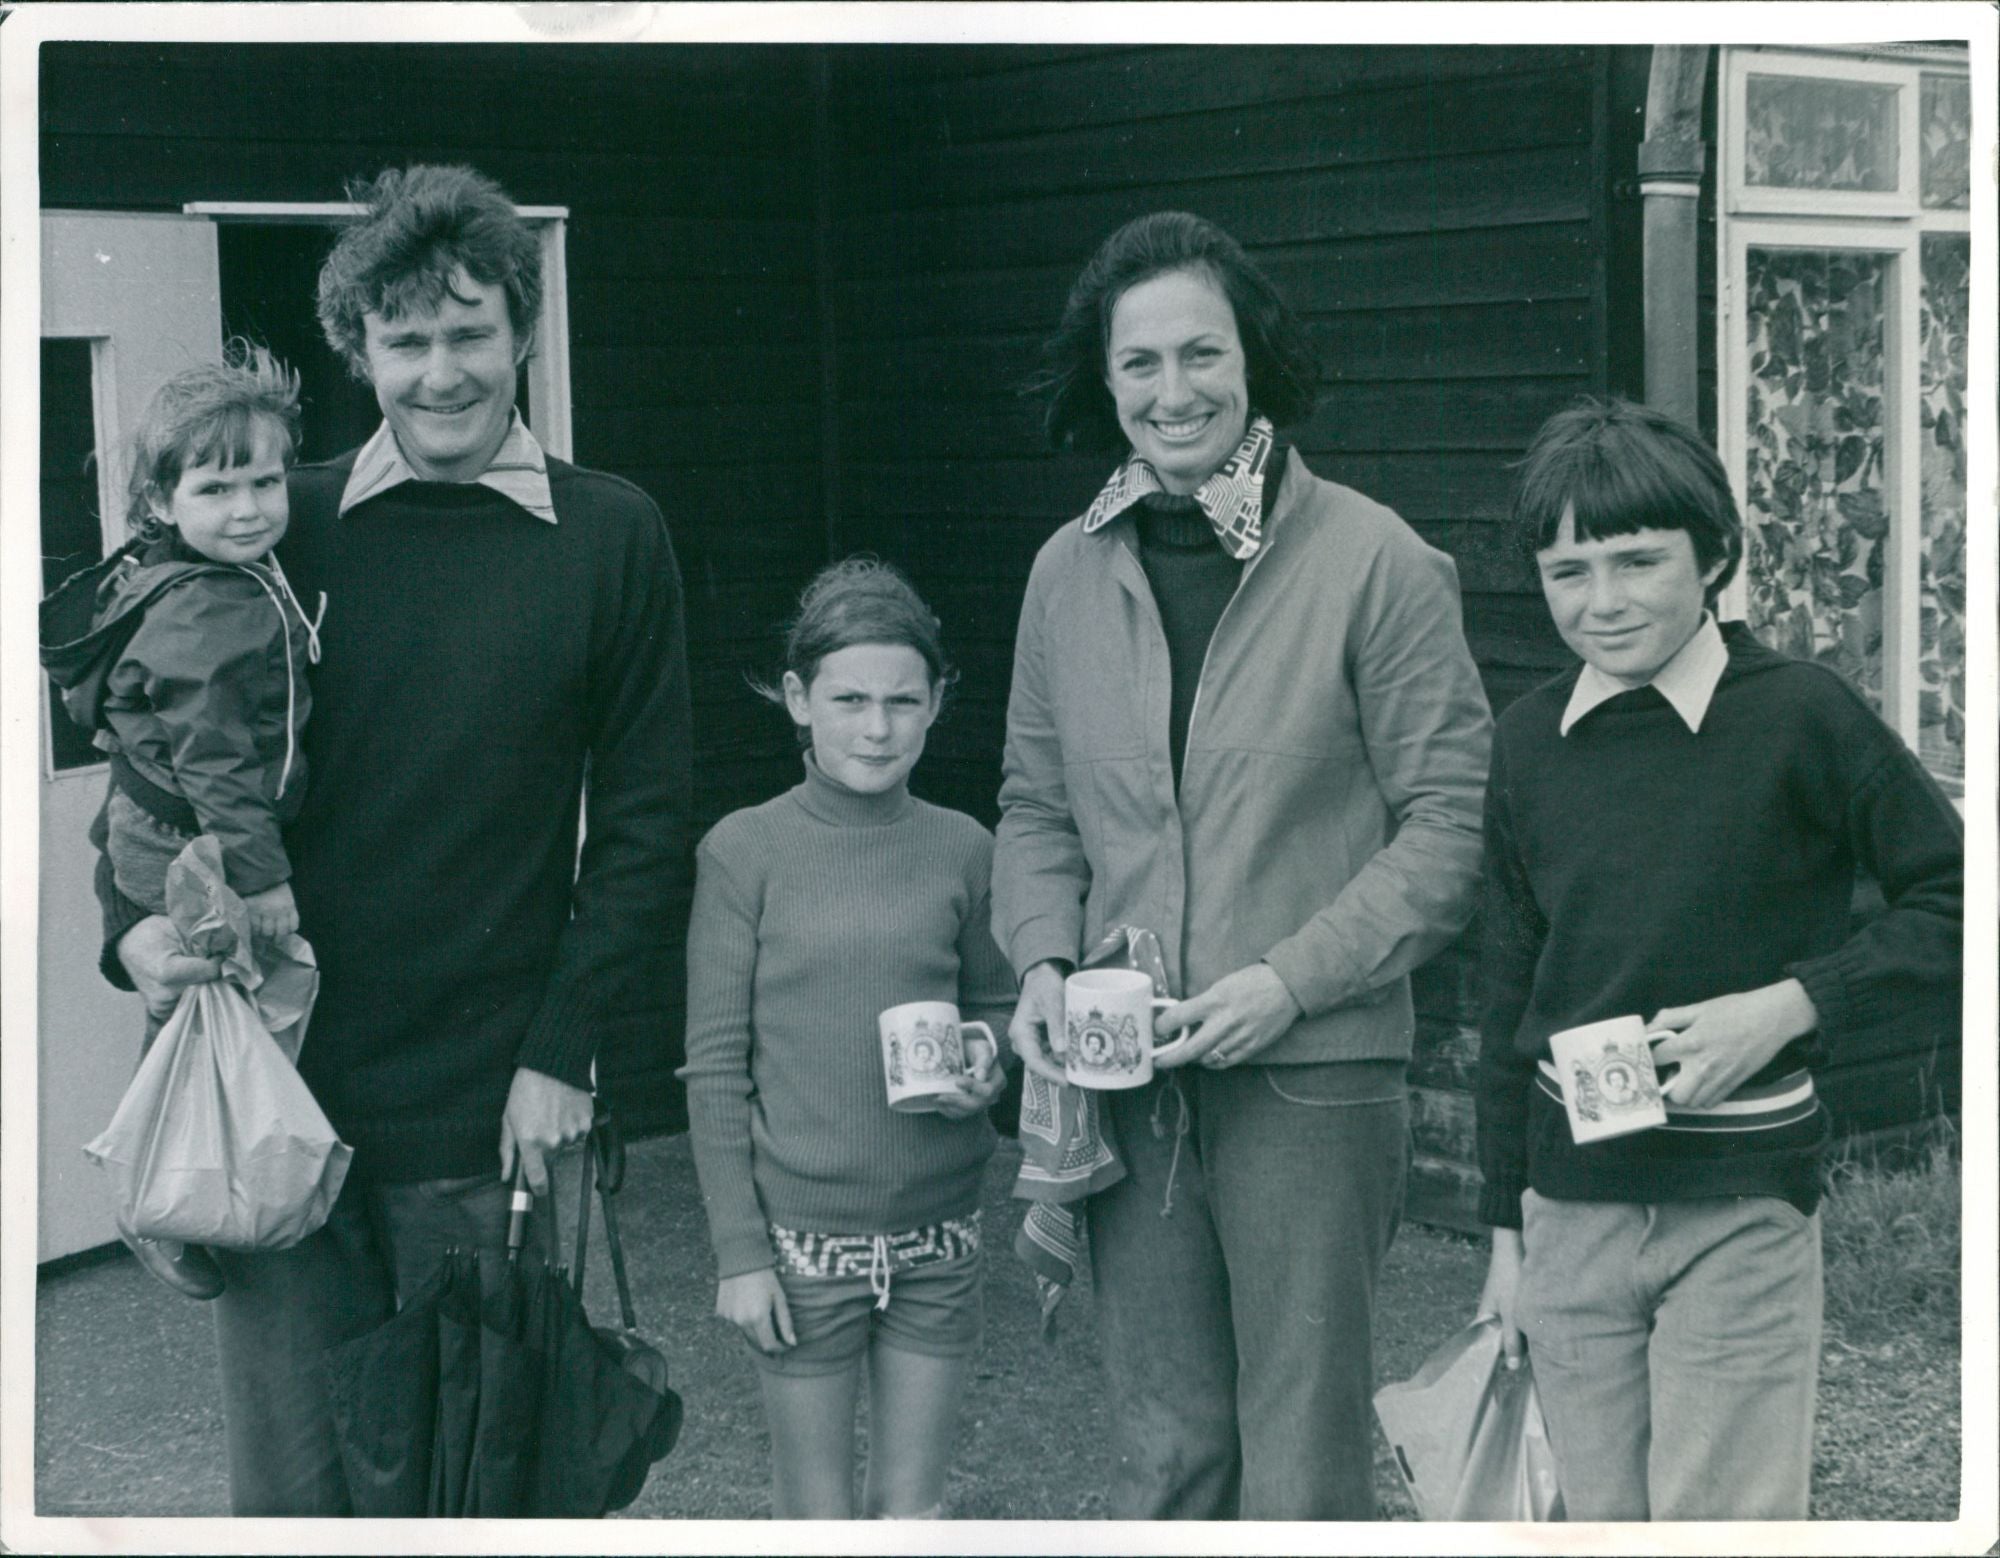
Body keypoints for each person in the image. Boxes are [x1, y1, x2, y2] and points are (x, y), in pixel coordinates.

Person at [92, 163, 692, 1517]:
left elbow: (650, 823)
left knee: (471, 1492)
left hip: (484, 1111)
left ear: (522, 331)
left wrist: (564, 1046)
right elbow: (150, 750)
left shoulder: (611, 535)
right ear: (356, 347)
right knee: (294, 1497)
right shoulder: (274, 524)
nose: (440, 372)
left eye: (469, 332)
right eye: (405, 339)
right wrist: (124, 932)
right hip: (278, 1096)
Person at [993, 211, 1493, 1519]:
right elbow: (1035, 804)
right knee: (1164, 1445)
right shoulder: (1063, 571)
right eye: (1140, 364)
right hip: (1127, 1073)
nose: (1174, 392)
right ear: (1102, 383)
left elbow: (1448, 823)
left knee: (1302, 1447)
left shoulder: (1377, 561)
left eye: (1200, 354)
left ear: (1254, 357)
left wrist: (1289, 978)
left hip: (1312, 1076)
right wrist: (1041, 957)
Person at [1473, 397, 1964, 1519]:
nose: (1601, 602)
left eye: (1637, 560)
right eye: (1566, 572)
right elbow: (1511, 993)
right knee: (1596, 1530)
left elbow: (1955, 897)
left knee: (1722, 1530)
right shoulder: (1523, 744)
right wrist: (1505, 1237)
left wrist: (1792, 1004)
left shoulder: (1801, 717)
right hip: (1570, 1217)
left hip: (1738, 1207)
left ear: (1715, 556)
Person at [679, 560, 1015, 1520]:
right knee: (816, 1517)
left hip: (941, 1236)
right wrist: (742, 1255)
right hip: (802, 1246)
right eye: (850, 699)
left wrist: (987, 1064)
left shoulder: (966, 847)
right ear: (798, 699)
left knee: (913, 1514)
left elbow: (997, 1003)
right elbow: (713, 1069)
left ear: (938, 701)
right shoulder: (744, 850)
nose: (878, 727)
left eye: (904, 701)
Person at [43, 344, 320, 1301]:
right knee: (208, 1008)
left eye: (266, 481)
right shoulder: (206, 609)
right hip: (190, 844)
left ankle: (185, 1184)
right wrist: (263, 875)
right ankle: (165, 1194)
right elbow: (214, 761)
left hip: (153, 831)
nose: (249, 509)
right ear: (162, 502)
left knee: (201, 1009)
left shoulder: (195, 573)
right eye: (217, 488)